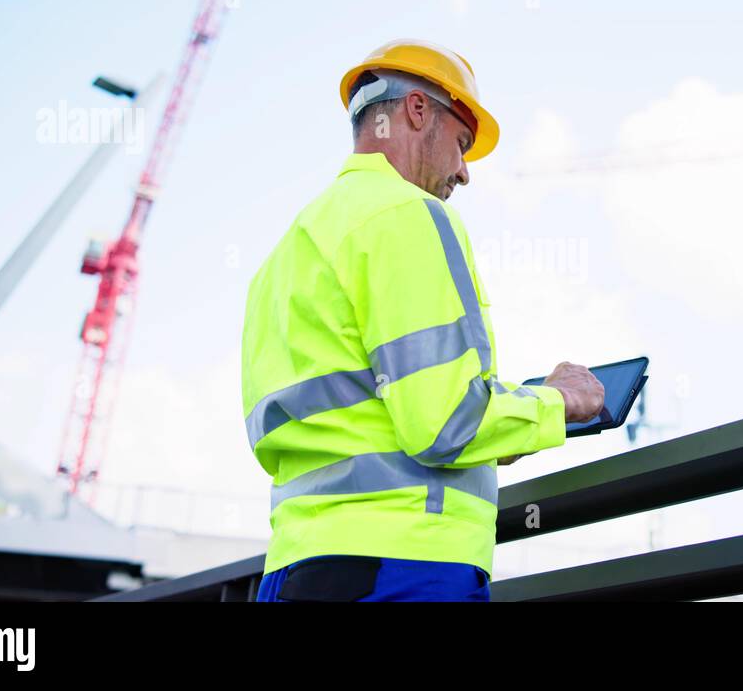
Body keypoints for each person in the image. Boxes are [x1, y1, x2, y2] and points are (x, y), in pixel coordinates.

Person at [241, 39, 605, 602]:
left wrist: (499, 428)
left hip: (294, 569)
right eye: (461, 144)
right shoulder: (409, 215)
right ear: (416, 111)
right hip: (404, 564)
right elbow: (443, 424)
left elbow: (371, 413)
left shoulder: (291, 249)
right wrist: (557, 402)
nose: (464, 173)